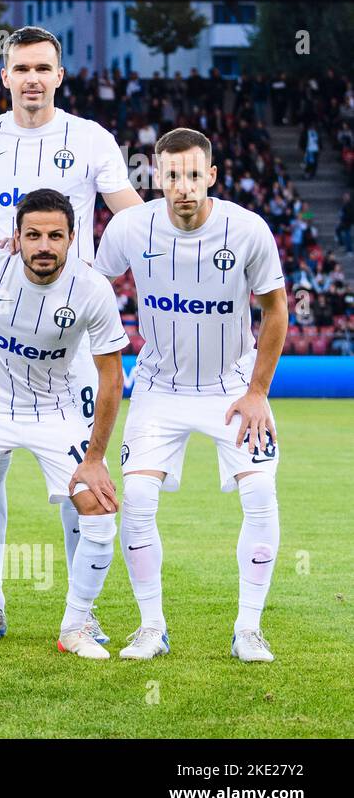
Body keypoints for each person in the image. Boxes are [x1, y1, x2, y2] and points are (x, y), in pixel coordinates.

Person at [0, 26, 143, 646]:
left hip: (68, 334)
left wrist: (183, 235)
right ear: (5, 76)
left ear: (58, 76)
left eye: (42, 68)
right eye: (20, 67)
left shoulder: (90, 138)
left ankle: (81, 613)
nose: (31, 78)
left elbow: (130, 213)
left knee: (81, 477)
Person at [93, 128, 288, 663]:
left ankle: (248, 630)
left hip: (233, 390)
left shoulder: (247, 230)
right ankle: (151, 628)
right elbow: (89, 286)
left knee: (260, 497)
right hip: (158, 388)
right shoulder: (130, 227)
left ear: (212, 177)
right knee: (136, 502)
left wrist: (257, 391)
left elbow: (276, 310)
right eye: (172, 176)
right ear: (157, 177)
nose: (183, 187)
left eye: (193, 175)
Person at [0, 189, 128, 659]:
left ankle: (75, 626)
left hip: (54, 410)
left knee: (98, 510)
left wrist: (95, 459)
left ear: (72, 239)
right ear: (15, 237)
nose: (43, 245)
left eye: (55, 235)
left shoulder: (92, 289)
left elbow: (112, 378)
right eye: (32, 234)